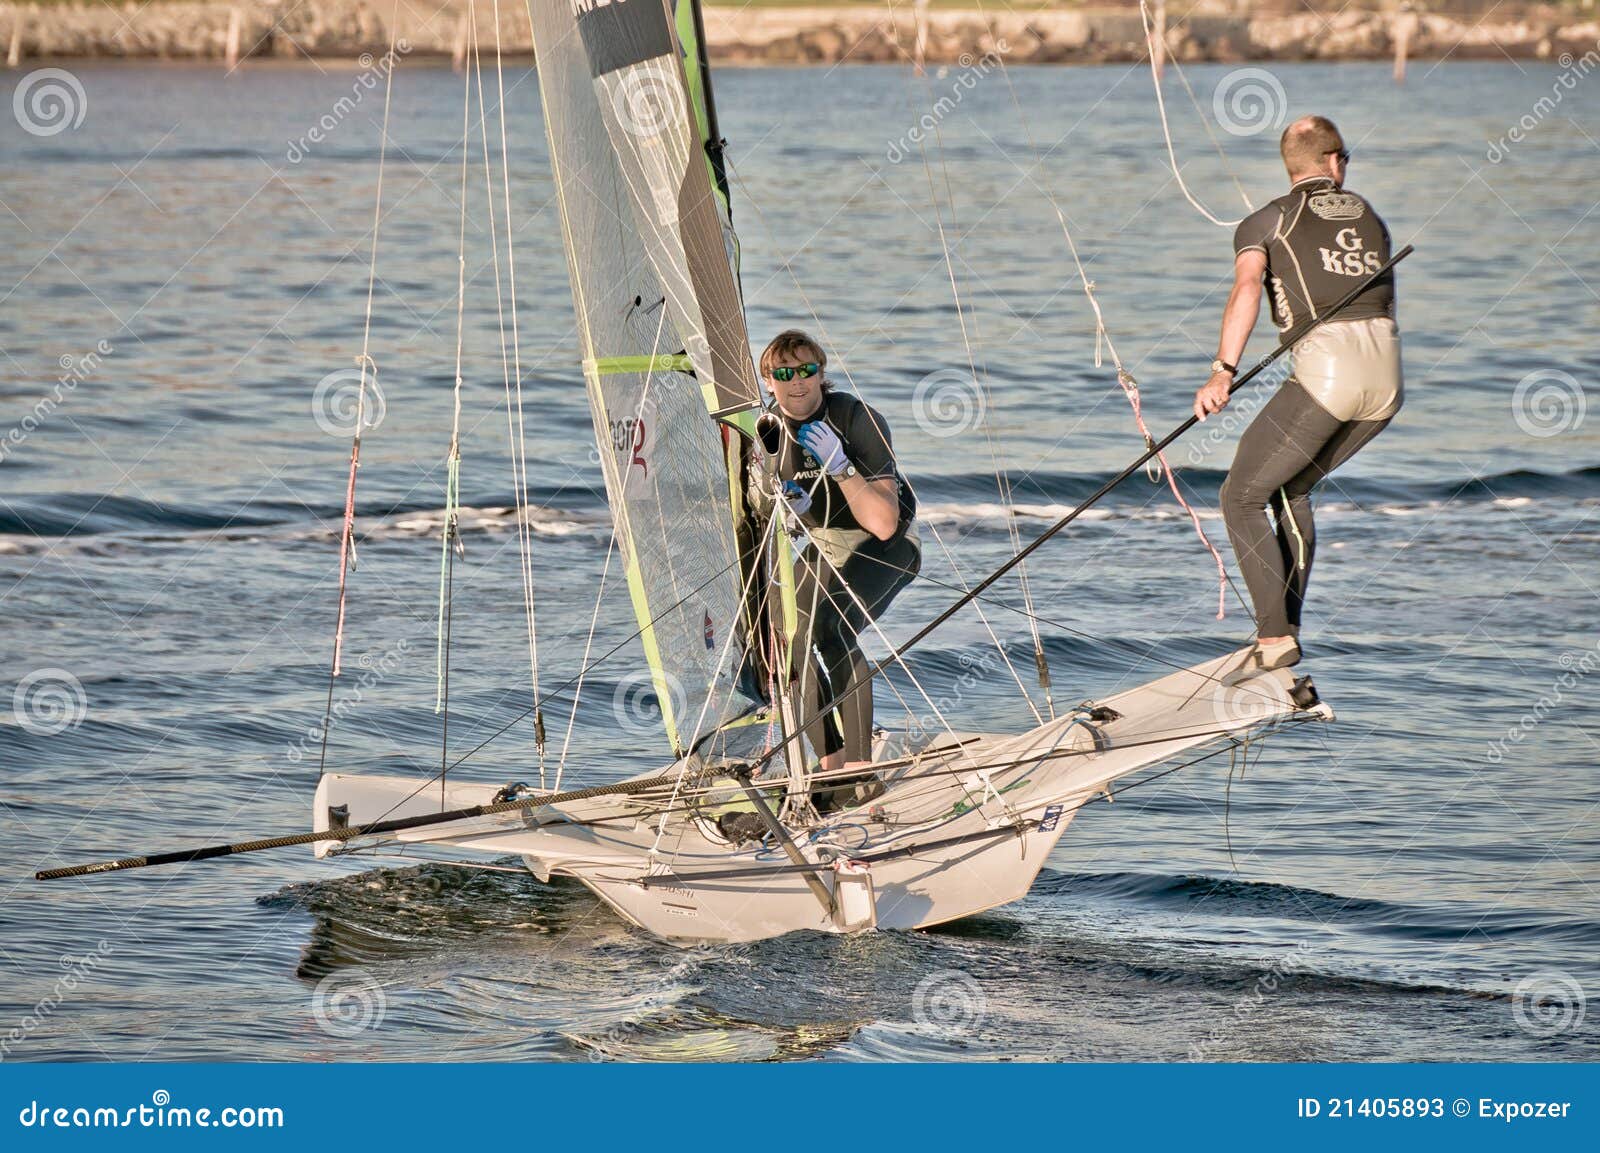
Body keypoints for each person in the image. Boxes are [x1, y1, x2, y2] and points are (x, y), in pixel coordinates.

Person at [1194, 115, 1402, 677]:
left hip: (1330, 370)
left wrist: (1222, 371)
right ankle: (1285, 631)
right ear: (1335, 162)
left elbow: (1246, 290)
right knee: (1292, 490)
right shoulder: (1368, 214)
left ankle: (1272, 636)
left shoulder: (1266, 220)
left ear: (1292, 166)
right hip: (1387, 377)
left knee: (1239, 497)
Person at [748, 329, 920, 783]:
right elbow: (774, 521)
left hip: (888, 546)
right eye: (783, 373)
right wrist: (797, 513)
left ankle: (861, 772)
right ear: (769, 381)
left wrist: (840, 466)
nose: (797, 381)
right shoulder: (765, 435)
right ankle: (832, 767)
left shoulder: (854, 416)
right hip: (824, 541)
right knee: (786, 642)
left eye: (807, 370)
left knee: (831, 628)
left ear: (822, 374)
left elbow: (883, 521)